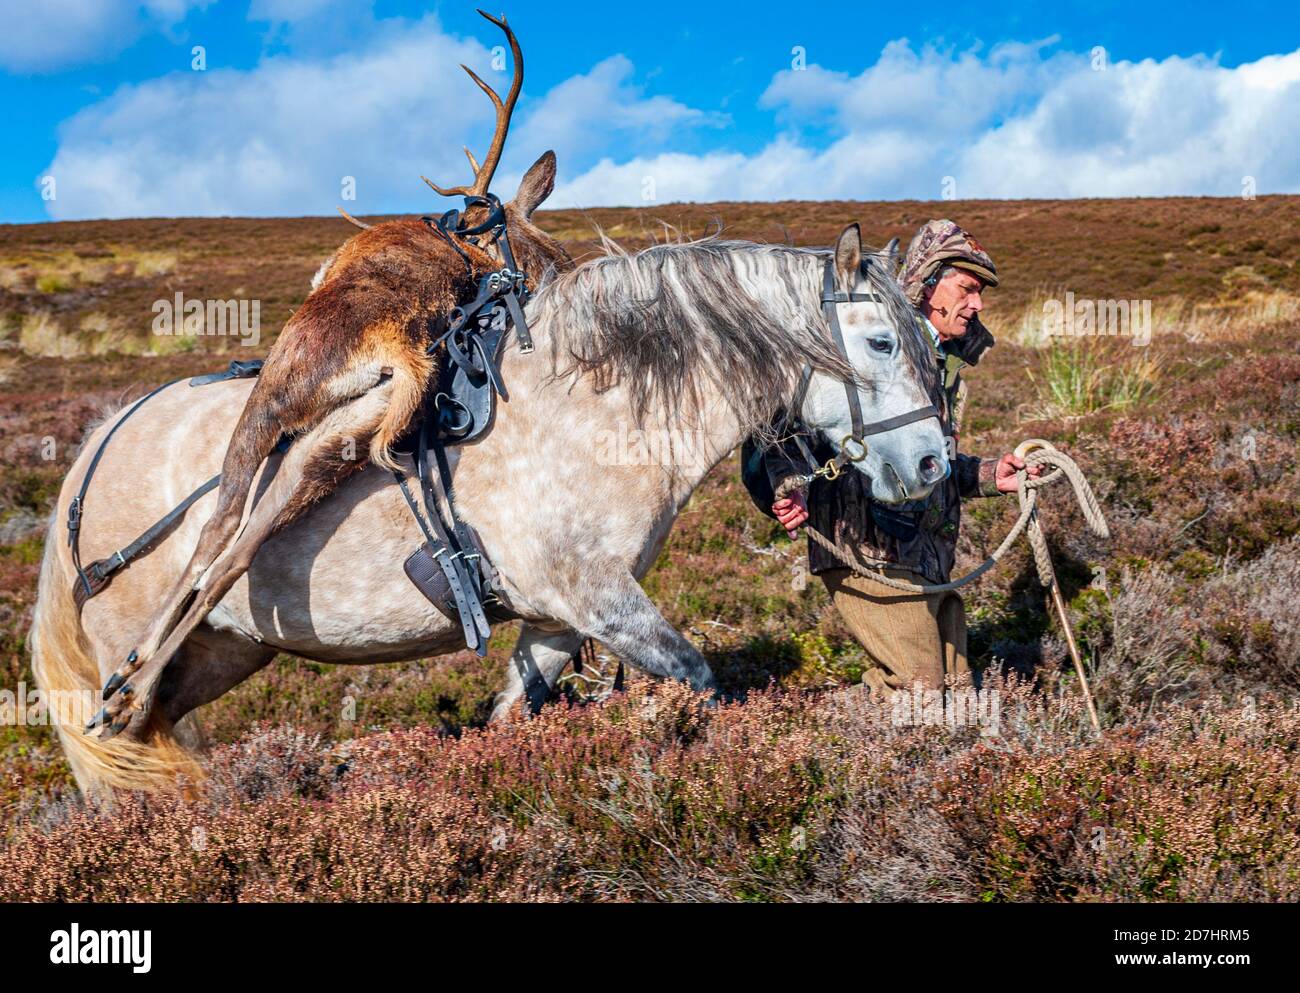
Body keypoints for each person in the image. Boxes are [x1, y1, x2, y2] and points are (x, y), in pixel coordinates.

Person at [744, 219, 1040, 696]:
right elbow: (779, 421)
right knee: (916, 690)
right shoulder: (864, 340)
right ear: (927, 284)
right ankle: (796, 744)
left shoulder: (942, 361)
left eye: (980, 292)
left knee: (958, 693)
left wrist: (988, 475)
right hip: (868, 549)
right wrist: (788, 482)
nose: (978, 303)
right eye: (966, 287)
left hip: (928, 557)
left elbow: (926, 463)